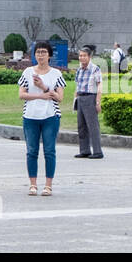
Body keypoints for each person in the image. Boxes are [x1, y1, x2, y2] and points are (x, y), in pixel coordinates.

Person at [19, 41, 66, 194]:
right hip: (30, 116)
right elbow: (22, 94)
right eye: (38, 52)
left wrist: (44, 87)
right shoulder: (28, 72)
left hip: (50, 116)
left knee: (49, 151)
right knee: (32, 151)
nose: (41, 55)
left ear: (49, 55)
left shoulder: (56, 74)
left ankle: (48, 185)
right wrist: (40, 95)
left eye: (44, 52)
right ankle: (33, 184)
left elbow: (59, 98)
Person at [74, 44, 104, 159]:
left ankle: (97, 151)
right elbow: (77, 85)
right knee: (81, 126)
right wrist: (75, 99)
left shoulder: (95, 69)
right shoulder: (79, 70)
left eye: (84, 56)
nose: (81, 58)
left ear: (89, 57)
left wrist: (98, 102)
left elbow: (99, 85)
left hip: (90, 97)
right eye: (80, 56)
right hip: (80, 98)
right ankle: (84, 150)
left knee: (92, 126)